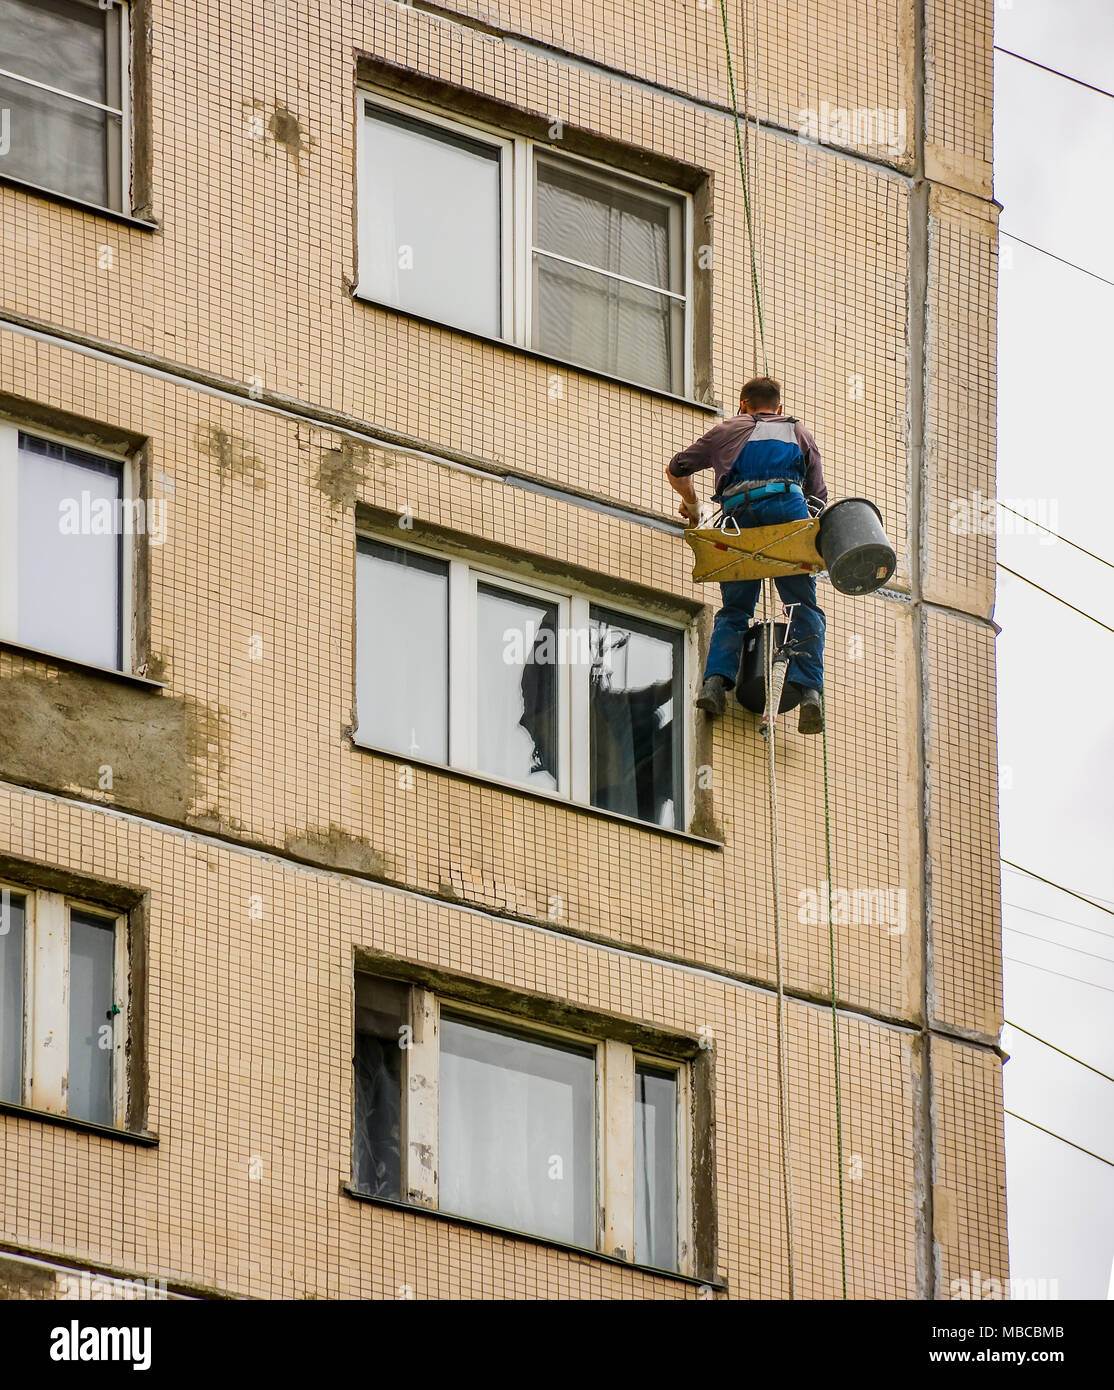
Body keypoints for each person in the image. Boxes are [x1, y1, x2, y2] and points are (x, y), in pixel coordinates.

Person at [665, 376, 828, 733]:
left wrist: (692, 506)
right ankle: (810, 690)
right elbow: (818, 499)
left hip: (738, 516)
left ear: (743, 405)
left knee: (736, 609)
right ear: (779, 408)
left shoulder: (726, 429)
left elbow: (676, 468)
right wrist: (803, 544)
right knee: (803, 607)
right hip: (787, 510)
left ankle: (715, 684)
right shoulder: (798, 431)